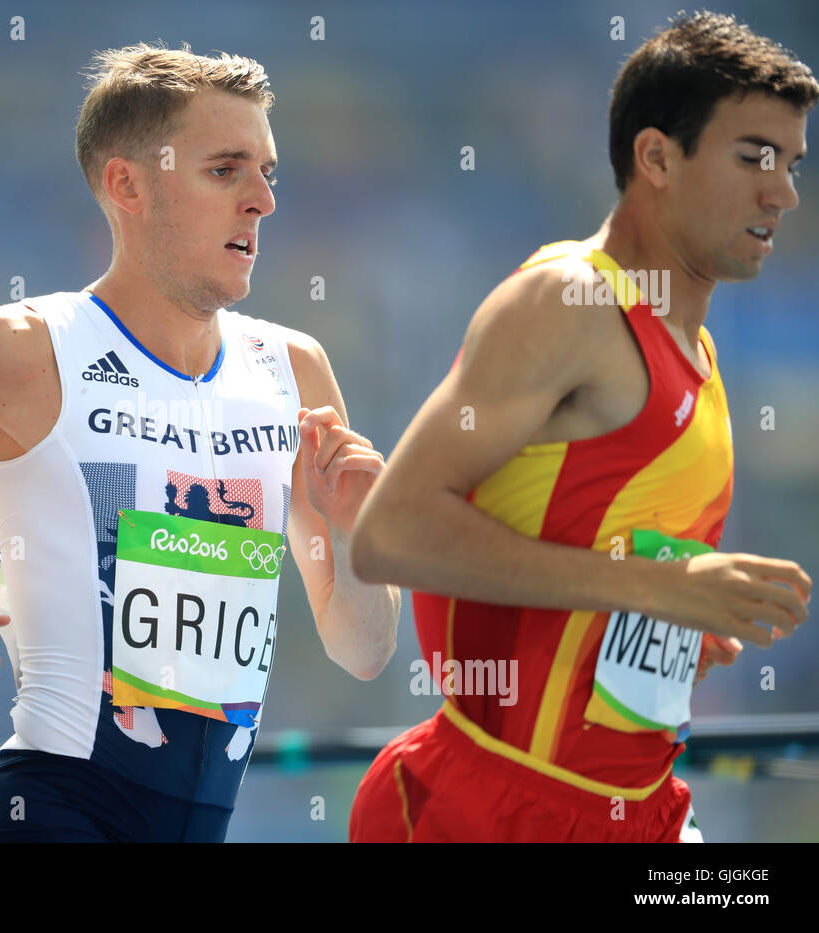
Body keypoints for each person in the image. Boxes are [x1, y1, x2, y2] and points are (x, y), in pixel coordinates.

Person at [0, 43, 400, 842]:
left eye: (267, 172)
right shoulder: (19, 349)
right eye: (225, 170)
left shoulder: (293, 369)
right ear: (128, 184)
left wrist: (350, 532)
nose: (262, 200)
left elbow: (363, 652)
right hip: (50, 815)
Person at [349, 12, 815, 843]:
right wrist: (660, 591)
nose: (782, 191)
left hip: (645, 810)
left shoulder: (697, 349)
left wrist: (668, 626)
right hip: (494, 804)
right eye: (754, 157)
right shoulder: (568, 301)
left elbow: (598, 556)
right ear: (657, 157)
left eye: (791, 163)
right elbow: (391, 532)